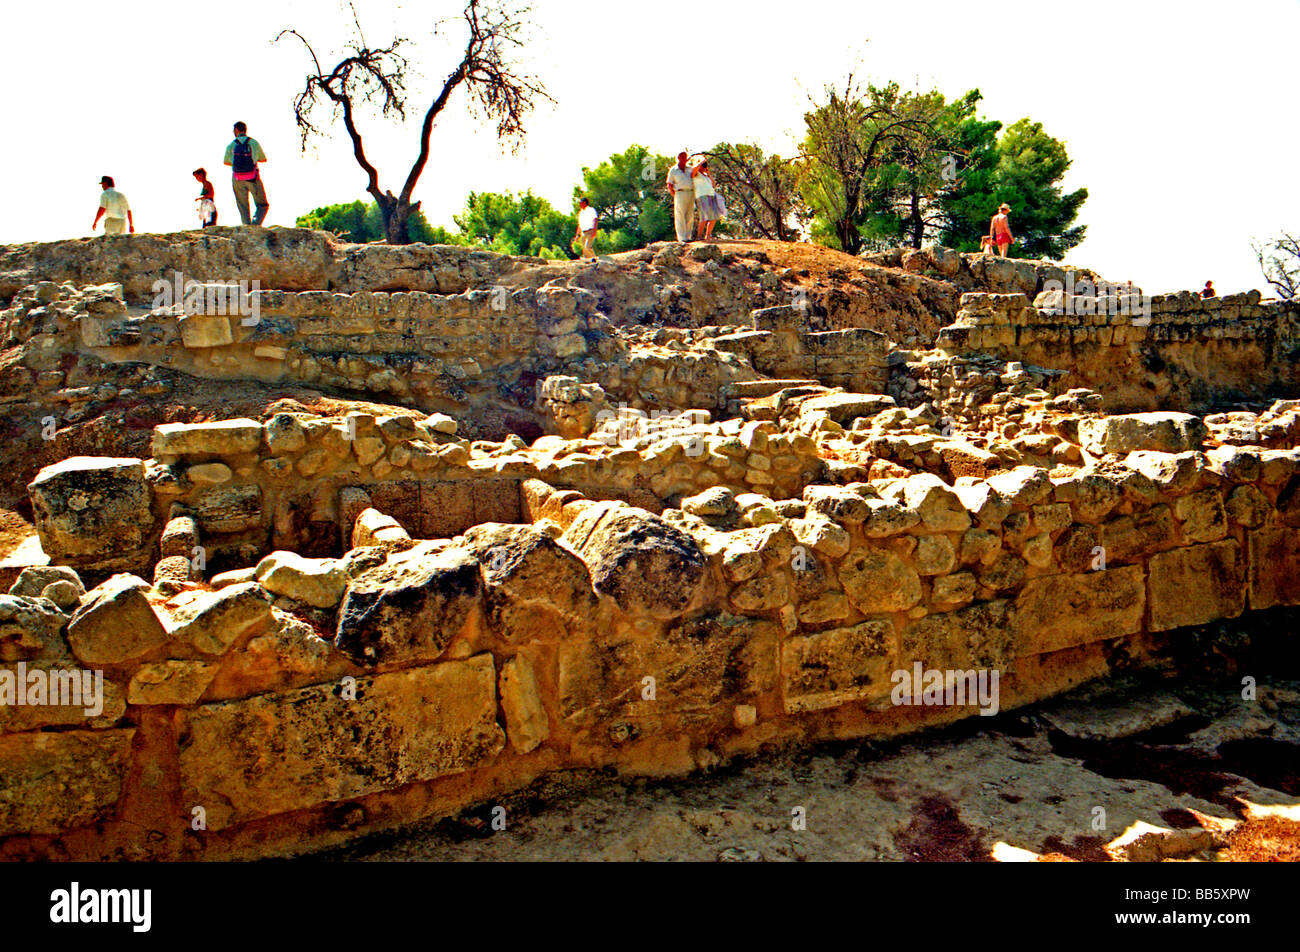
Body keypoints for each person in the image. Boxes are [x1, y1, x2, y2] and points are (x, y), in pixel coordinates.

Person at [223, 121, 269, 225]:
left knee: (242, 204)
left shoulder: (232, 145)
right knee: (262, 204)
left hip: (237, 178)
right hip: (253, 177)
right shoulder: (253, 142)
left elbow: (226, 161)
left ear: (236, 130)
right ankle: (256, 223)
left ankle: (246, 225)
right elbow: (263, 159)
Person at [691, 160, 725, 240]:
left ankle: (708, 235)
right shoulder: (697, 174)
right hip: (702, 196)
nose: (704, 168)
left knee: (714, 217)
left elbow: (713, 184)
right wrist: (700, 162)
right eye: (703, 166)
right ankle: (699, 236)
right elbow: (693, 171)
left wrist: (708, 174)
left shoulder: (706, 176)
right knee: (704, 217)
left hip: (711, 195)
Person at [666, 151, 695, 243]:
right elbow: (669, 184)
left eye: (685, 157)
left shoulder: (690, 169)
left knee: (690, 215)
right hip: (680, 192)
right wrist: (674, 194)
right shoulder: (673, 170)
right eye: (682, 157)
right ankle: (682, 238)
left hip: (690, 192)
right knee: (680, 215)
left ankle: (688, 236)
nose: (684, 159)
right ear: (678, 158)